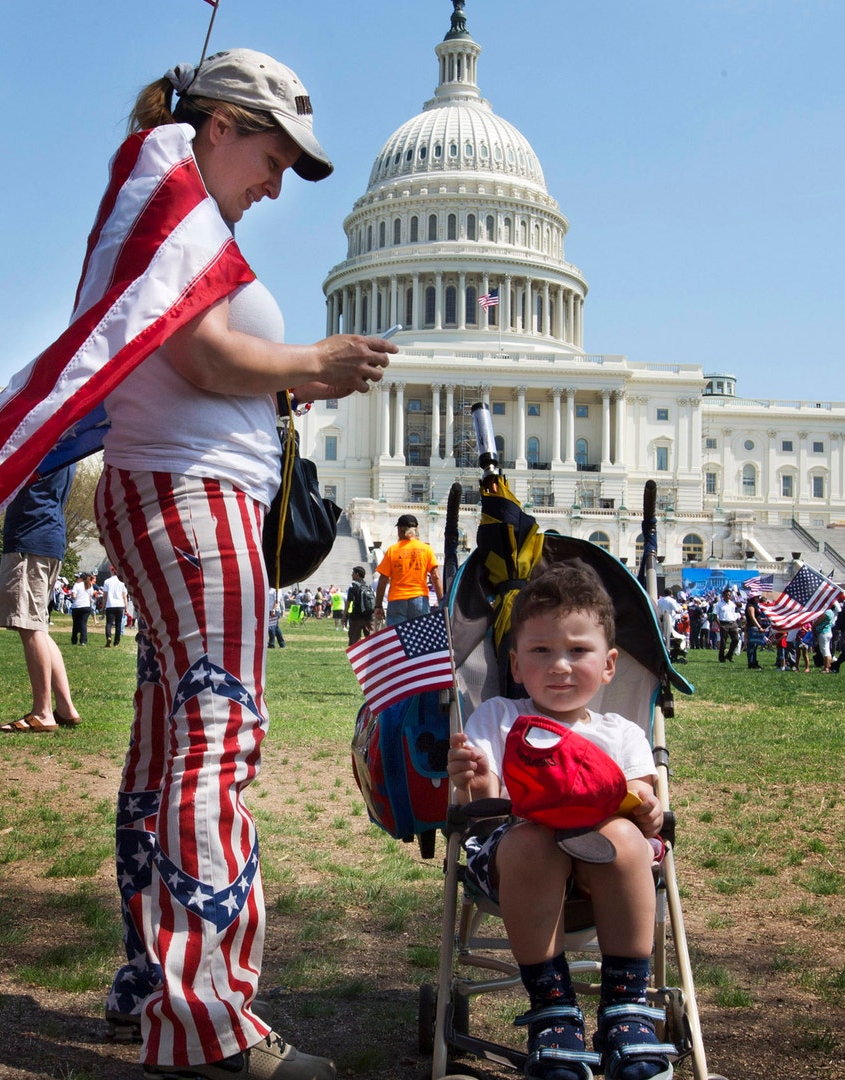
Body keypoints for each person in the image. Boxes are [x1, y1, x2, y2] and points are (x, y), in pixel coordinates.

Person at [92, 50, 395, 1080]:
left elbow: (194, 357)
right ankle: (205, 1023)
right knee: (215, 742)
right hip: (191, 494)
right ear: (219, 126)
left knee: (168, 743)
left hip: (167, 483)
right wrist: (313, 361)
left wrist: (282, 391)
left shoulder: (171, 204)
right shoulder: (180, 206)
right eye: (274, 156)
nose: (277, 183)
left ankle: (152, 983)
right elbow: (200, 353)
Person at [446, 561, 672, 1080]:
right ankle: (553, 1010)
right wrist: (474, 777)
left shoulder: (621, 734)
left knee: (623, 836)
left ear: (609, 664)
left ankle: (626, 1008)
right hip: (519, 860)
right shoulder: (499, 718)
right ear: (516, 664)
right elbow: (486, 804)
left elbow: (642, 799)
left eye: (578, 651)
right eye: (541, 651)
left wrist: (648, 806)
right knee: (533, 841)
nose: (560, 666)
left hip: (607, 867)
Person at [0, 467, 83, 733]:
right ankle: (65, 708)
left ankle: (43, 712)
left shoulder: (41, 448)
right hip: (48, 539)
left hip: (29, 539)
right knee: (37, 625)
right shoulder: (66, 452)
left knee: (30, 625)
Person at [376, 512, 441, 627]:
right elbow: (435, 576)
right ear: (416, 529)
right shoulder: (426, 549)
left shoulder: (392, 550)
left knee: (397, 636)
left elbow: (383, 580)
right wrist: (442, 601)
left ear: (399, 530)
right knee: (419, 635)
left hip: (397, 599)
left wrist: (378, 605)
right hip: (420, 599)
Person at [343, 564, 375, 645]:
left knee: (355, 643)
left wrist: (344, 617)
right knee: (372, 642)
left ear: (357, 574)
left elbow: (348, 603)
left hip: (356, 617)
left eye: (353, 573)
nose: (351, 575)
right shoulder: (369, 587)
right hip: (369, 617)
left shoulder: (353, 587)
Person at [100, 569, 129, 647]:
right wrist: (126, 607)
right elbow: (124, 596)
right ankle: (116, 642)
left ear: (112, 571)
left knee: (109, 623)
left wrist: (103, 607)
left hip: (110, 605)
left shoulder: (107, 581)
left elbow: (105, 596)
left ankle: (108, 637)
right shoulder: (122, 582)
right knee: (118, 624)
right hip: (120, 605)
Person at [68, 570, 94, 646]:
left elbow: (74, 596)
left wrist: (72, 597)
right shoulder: (89, 585)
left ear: (81, 578)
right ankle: (83, 640)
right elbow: (91, 595)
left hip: (77, 606)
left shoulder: (77, 585)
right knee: (83, 623)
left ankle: (74, 640)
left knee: (75, 623)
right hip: (86, 606)